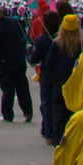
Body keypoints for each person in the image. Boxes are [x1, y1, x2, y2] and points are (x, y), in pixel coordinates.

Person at [0, 2, 32, 123]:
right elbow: (24, 37)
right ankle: (28, 112)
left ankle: (7, 115)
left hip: (5, 62)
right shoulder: (14, 23)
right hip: (19, 59)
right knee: (22, 88)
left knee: (8, 90)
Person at [43, 13, 83, 147]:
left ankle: (59, 148)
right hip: (77, 89)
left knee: (59, 121)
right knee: (76, 120)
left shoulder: (56, 45)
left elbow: (49, 66)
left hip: (60, 87)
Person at [29, 9, 60, 141]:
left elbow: (35, 58)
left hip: (47, 74)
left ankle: (49, 132)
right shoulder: (61, 38)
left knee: (47, 103)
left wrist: (29, 55)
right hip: (60, 74)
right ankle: (51, 128)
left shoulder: (42, 39)